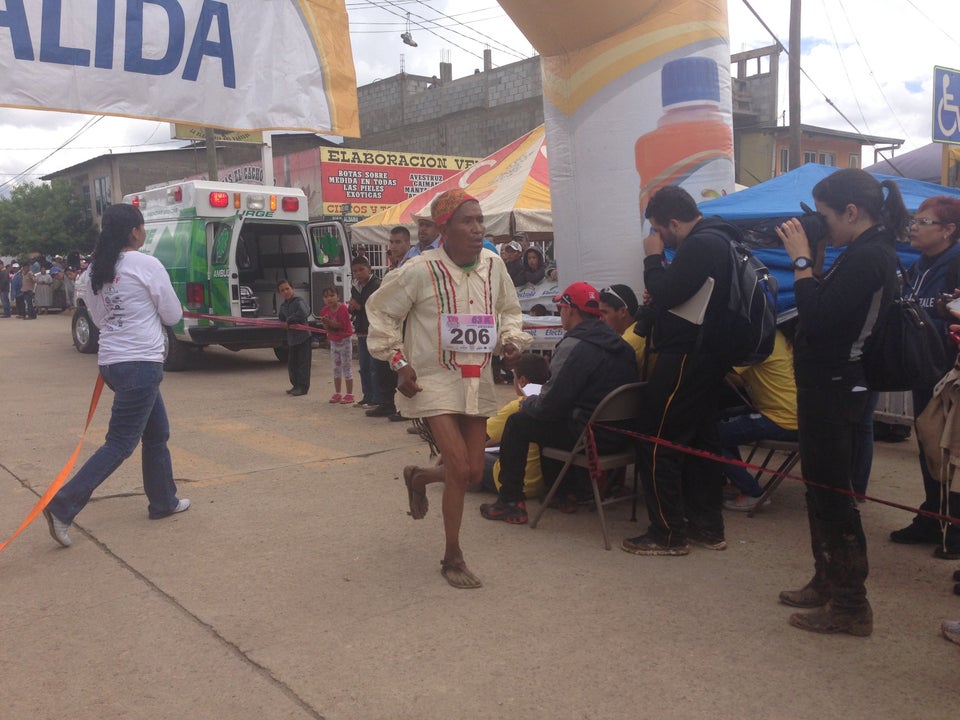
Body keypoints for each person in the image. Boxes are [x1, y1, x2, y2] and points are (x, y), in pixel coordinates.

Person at [366, 188, 530, 589]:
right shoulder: (419, 270)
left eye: (479, 221)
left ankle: (419, 478)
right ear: (444, 228)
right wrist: (398, 362)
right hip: (433, 380)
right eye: (466, 221)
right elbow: (381, 312)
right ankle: (452, 556)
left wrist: (511, 339)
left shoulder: (494, 265)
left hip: (478, 379)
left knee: (473, 472)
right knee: (457, 466)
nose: (477, 229)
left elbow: (509, 311)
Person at [777, 168, 907, 637]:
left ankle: (852, 606)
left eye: (826, 216)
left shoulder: (870, 256)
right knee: (821, 489)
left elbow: (818, 318)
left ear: (852, 212)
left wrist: (800, 262)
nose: (821, 225)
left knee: (834, 496)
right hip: (827, 386)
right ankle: (828, 580)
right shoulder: (862, 250)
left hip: (837, 388)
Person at [42, 203, 189, 548]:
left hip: (113, 363)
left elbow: (96, 316)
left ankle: (163, 501)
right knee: (120, 444)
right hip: (141, 363)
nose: (144, 233)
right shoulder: (146, 265)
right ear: (133, 232)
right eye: (142, 227)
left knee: (157, 434)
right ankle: (63, 505)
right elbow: (171, 313)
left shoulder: (95, 270)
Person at [622, 185, 739, 557]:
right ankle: (706, 525)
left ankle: (668, 532)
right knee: (701, 441)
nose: (658, 237)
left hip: (686, 355)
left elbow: (667, 292)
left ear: (672, 223)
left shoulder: (701, 244)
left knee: (655, 438)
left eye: (659, 230)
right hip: (709, 355)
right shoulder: (721, 238)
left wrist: (653, 260)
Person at [480, 281, 637, 522]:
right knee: (551, 419)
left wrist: (528, 403)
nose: (560, 313)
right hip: (623, 438)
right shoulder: (623, 345)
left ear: (570, 310)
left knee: (519, 422)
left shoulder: (575, 345)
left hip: (590, 439)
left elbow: (548, 406)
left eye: (561, 308)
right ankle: (563, 494)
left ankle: (510, 501)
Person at [889, 196, 960, 558]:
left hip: (952, 373)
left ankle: (955, 527)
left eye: (924, 221)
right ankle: (933, 516)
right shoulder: (918, 266)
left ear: (948, 230)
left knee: (954, 451)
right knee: (928, 444)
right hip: (924, 368)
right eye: (914, 220)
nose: (914, 227)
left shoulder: (955, 266)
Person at [718, 328, 799, 511]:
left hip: (779, 418)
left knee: (708, 436)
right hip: (790, 412)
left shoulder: (756, 340)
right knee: (723, 419)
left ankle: (753, 492)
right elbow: (741, 378)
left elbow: (719, 369)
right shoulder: (774, 334)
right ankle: (737, 480)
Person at [366, 228, 412, 420]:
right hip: (388, 327)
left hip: (406, 327)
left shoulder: (411, 267)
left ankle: (404, 409)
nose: (393, 246)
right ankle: (387, 403)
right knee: (384, 366)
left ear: (408, 243)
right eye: (391, 242)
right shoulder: (393, 267)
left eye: (398, 242)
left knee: (403, 367)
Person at [598, 283, 652, 377]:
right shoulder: (644, 329)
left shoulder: (625, 344)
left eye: (604, 312)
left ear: (623, 311)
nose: (601, 319)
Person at [349, 256, 381, 408]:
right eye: (355, 271)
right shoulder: (355, 286)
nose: (358, 273)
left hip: (373, 331)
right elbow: (354, 307)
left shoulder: (377, 285)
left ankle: (377, 397)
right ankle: (367, 396)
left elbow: (375, 307)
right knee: (363, 366)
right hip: (361, 330)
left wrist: (359, 306)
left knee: (375, 367)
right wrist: (352, 307)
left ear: (369, 269)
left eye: (361, 270)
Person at [319, 286, 355, 404]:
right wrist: (326, 324)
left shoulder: (343, 309)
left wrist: (329, 322)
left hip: (344, 341)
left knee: (347, 367)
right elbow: (327, 328)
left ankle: (350, 394)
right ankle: (338, 393)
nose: (329, 299)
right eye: (326, 297)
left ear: (338, 296)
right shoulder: (324, 311)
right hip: (334, 341)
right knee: (336, 368)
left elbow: (341, 326)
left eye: (332, 295)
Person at [277, 279, 312, 397]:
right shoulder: (283, 306)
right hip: (292, 339)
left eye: (287, 289)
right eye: (282, 290)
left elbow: (304, 312)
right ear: (279, 293)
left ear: (293, 288)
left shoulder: (298, 301)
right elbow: (281, 317)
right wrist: (283, 322)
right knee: (292, 364)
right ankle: (295, 385)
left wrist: (290, 320)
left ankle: (303, 387)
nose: (285, 292)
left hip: (303, 338)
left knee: (303, 363)